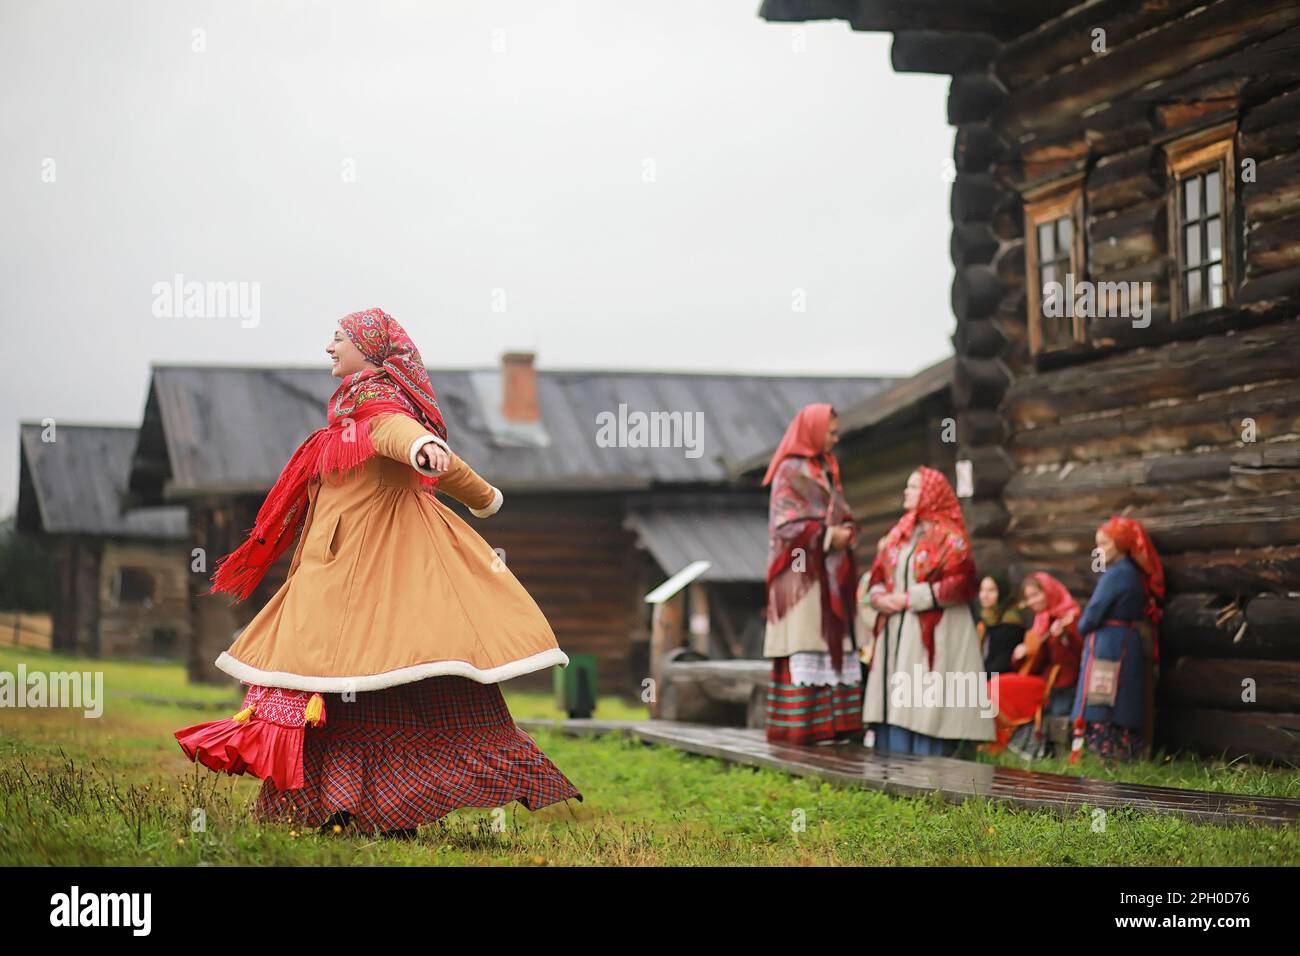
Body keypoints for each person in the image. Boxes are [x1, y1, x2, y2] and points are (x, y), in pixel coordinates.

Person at [175, 308, 582, 837]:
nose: (328, 346)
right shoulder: (347, 418)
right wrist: (481, 496)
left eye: (338, 337)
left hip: (380, 580)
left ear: (368, 350)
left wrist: (428, 451)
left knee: (374, 684)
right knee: (339, 695)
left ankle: (382, 811)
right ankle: (343, 809)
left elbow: (403, 437)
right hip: (334, 580)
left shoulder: (381, 411)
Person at [860, 467, 994, 755]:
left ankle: (931, 759)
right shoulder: (900, 533)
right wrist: (879, 596)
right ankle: (892, 755)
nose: (906, 492)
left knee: (925, 696)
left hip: (937, 627)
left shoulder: (951, 537)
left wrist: (911, 599)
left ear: (931, 494)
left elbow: (962, 584)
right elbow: (878, 574)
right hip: (897, 629)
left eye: (913, 487)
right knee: (899, 694)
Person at [761, 404, 861, 746]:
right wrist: (829, 536)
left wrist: (847, 528)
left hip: (831, 572)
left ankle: (837, 728)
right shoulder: (789, 470)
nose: (836, 438)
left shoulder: (828, 467)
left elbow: (840, 511)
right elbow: (785, 527)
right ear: (814, 431)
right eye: (830, 432)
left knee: (832, 644)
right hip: (801, 575)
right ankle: (803, 729)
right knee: (806, 642)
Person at [1070, 516, 1164, 763]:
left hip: (1111, 645)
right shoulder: (1130, 572)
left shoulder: (1116, 574)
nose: (1099, 551)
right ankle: (1118, 752)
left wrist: (1081, 626)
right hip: (1123, 640)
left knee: (1106, 697)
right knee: (1118, 695)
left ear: (1120, 544)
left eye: (1104, 544)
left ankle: (1107, 751)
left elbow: (1094, 611)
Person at [984, 572, 1081, 759]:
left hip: (1060, 684)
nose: (1031, 601)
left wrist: (1063, 637)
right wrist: (1022, 653)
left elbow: (1074, 658)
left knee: (999, 687)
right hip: (1041, 678)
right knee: (996, 686)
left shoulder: (1070, 616)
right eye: (1028, 597)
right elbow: (1034, 663)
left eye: (1036, 594)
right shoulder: (1041, 620)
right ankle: (994, 744)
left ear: (1050, 592)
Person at [977, 574, 1025, 675]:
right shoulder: (982, 620)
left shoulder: (1010, 624)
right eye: (982, 590)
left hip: (998, 680)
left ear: (1002, 592)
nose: (985, 595)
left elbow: (1000, 664)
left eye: (991, 590)